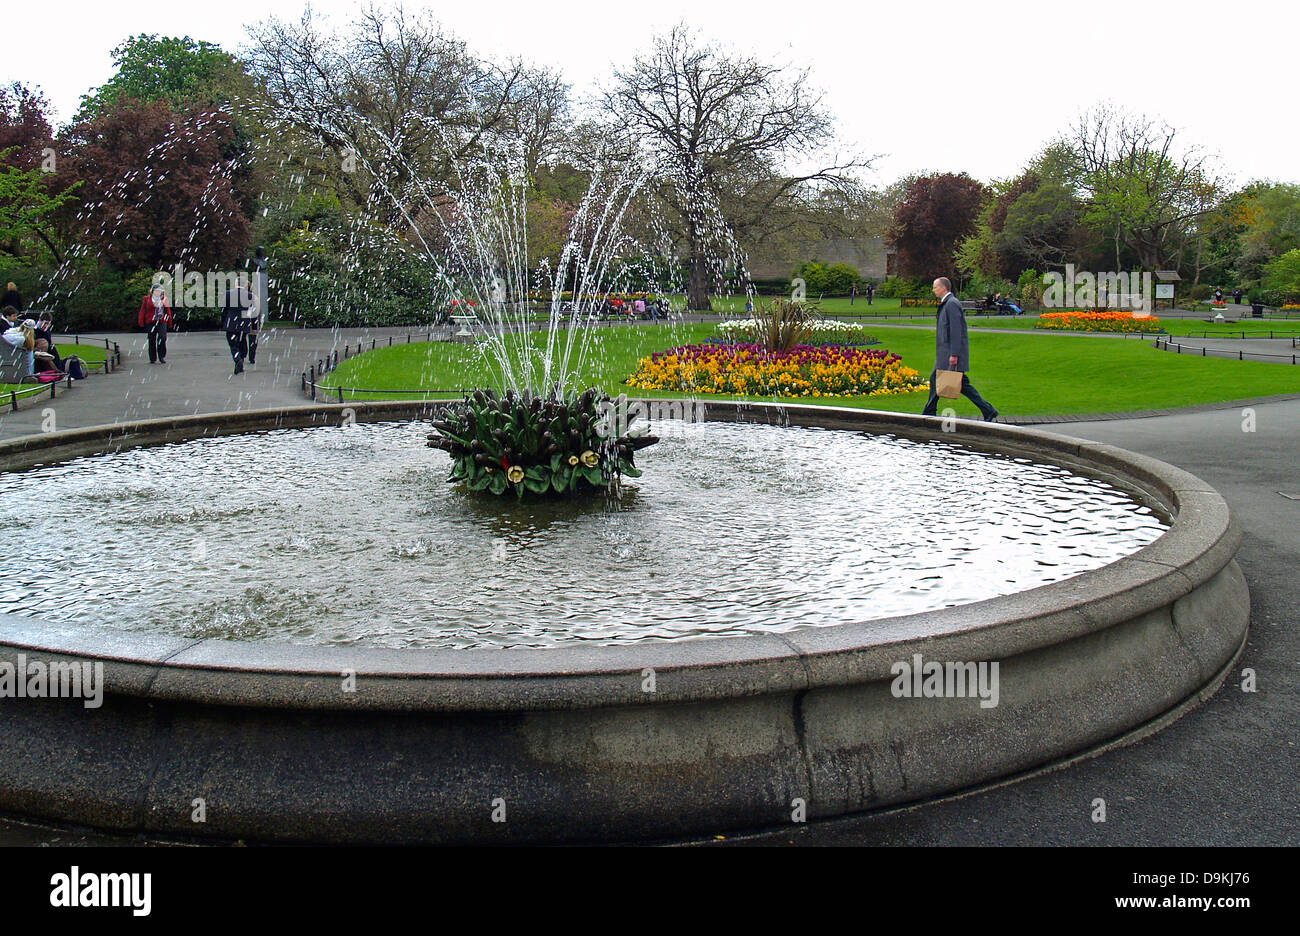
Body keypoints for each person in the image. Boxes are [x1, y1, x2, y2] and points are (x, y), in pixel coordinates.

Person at [921, 277, 998, 422]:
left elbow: (956, 331)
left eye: (935, 287)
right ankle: (929, 411)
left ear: (943, 288)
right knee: (948, 381)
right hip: (945, 353)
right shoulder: (948, 303)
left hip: (950, 354)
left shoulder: (951, 304)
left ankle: (929, 412)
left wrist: (954, 354)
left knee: (956, 383)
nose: (933, 290)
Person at [220, 281, 255, 374]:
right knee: (242, 341)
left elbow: (223, 310)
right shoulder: (250, 296)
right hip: (244, 323)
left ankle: (237, 359)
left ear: (235, 284)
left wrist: (223, 322)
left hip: (231, 323)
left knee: (233, 344)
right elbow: (253, 312)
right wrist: (253, 325)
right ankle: (242, 360)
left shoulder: (228, 294)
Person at [138, 285, 173, 364]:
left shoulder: (164, 299)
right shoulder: (147, 299)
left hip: (161, 321)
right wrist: (141, 320)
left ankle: (161, 356)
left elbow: (167, 311)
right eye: (156, 290)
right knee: (151, 339)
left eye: (159, 291)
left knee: (162, 338)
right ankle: (152, 357)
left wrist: (169, 321)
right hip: (151, 321)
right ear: (152, 291)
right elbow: (142, 310)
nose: (157, 292)